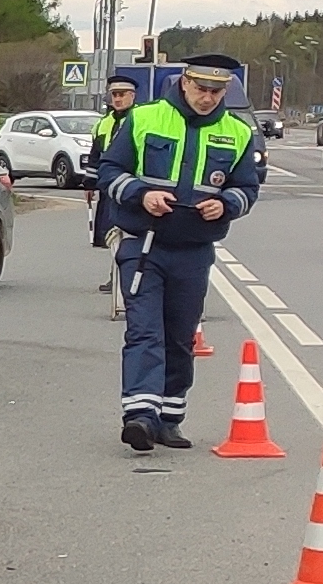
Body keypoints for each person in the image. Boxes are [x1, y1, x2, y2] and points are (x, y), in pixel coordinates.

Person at [98, 52, 261, 449]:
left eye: (216, 91)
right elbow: (109, 172)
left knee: (180, 337)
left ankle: (169, 418)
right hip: (144, 245)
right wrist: (142, 194)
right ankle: (139, 416)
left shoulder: (236, 131)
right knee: (144, 331)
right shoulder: (145, 118)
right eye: (201, 88)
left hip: (193, 249)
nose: (207, 97)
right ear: (184, 82)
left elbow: (248, 187)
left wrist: (225, 204)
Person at [82, 72, 142, 318]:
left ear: (132, 96)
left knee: (132, 232)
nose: (117, 99)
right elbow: (96, 157)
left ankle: (132, 276)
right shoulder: (103, 123)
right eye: (114, 95)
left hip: (133, 187)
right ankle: (115, 276)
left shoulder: (141, 119)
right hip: (109, 189)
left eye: (122, 95)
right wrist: (89, 184)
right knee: (111, 234)